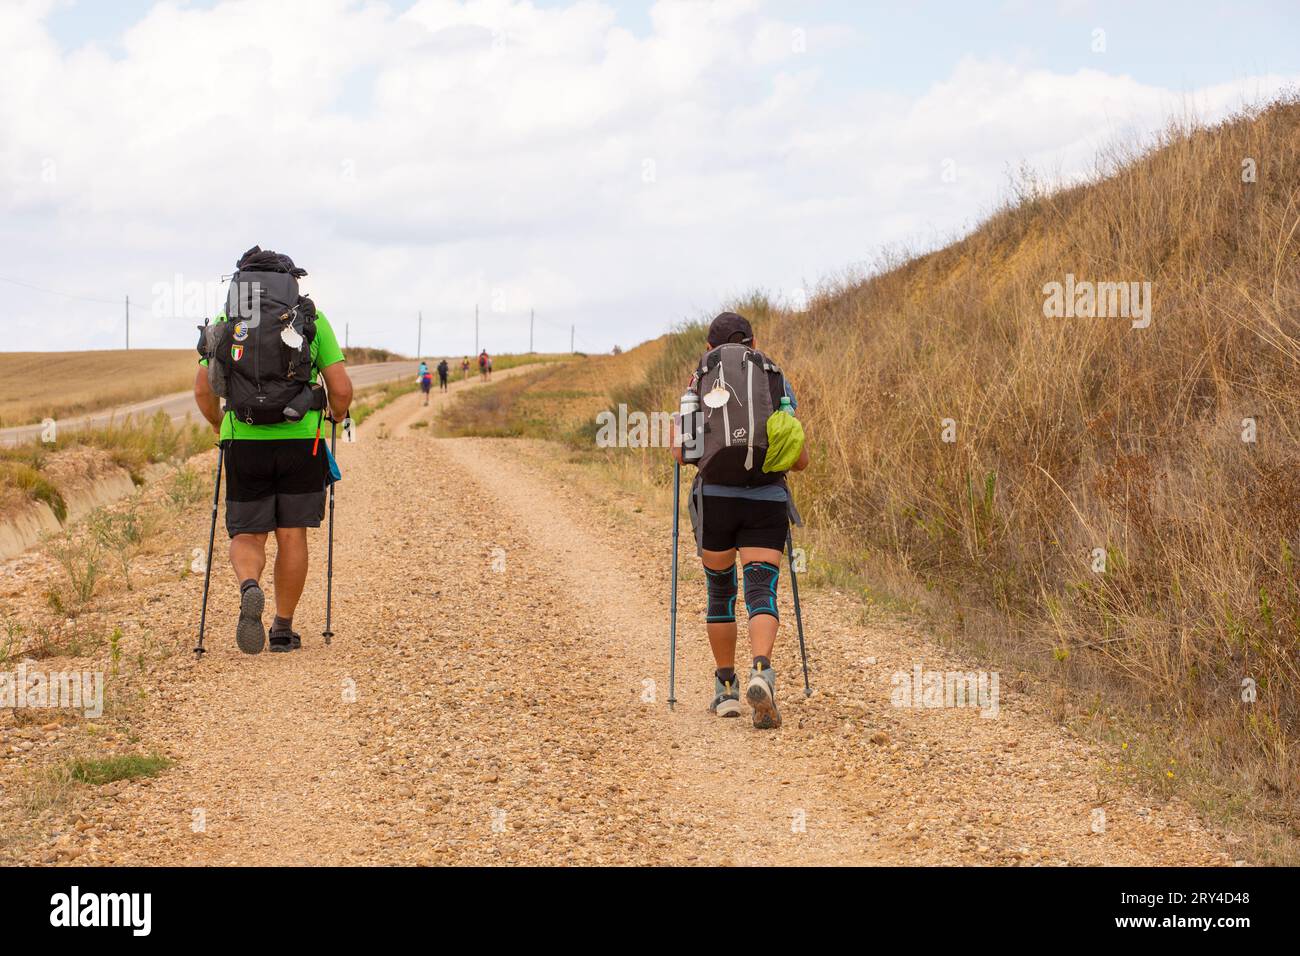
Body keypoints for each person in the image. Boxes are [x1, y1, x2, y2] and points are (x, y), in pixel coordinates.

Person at [194, 246, 353, 655]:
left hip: (244, 439)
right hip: (301, 440)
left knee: (248, 533)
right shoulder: (311, 319)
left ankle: (250, 586)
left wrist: (218, 424)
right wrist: (336, 415)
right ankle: (283, 628)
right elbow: (341, 389)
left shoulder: (227, 322)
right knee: (291, 534)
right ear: (291, 282)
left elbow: (202, 389)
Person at [669, 312, 808, 729]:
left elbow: (683, 453)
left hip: (716, 500)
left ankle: (726, 688)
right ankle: (761, 670)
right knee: (761, 588)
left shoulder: (698, 383)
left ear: (709, 349)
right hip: (766, 498)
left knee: (721, 592)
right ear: (753, 342)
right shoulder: (776, 381)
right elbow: (799, 458)